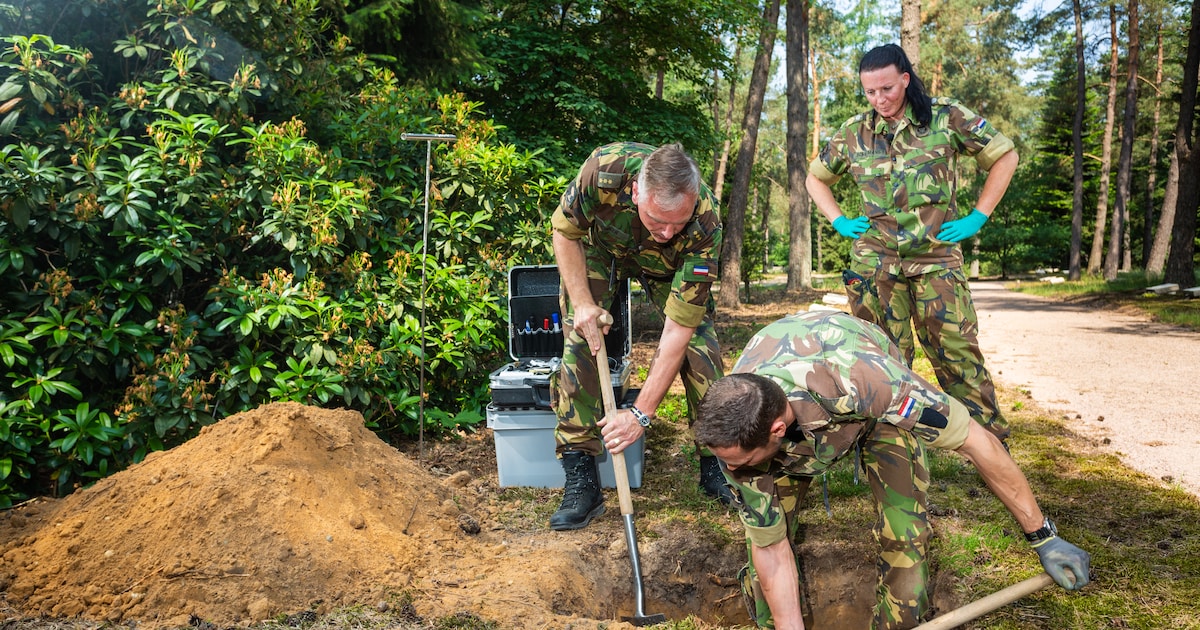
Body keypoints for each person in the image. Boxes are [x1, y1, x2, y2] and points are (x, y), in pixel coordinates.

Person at [695, 310, 1091, 629]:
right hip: (782, 419)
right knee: (766, 568)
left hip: (868, 407)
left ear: (777, 430)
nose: (730, 470)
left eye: (738, 463)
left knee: (905, 533)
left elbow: (978, 443)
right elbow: (771, 547)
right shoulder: (733, 428)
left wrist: (1042, 536)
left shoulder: (873, 383)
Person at [806, 43, 1017, 442]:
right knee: (880, 364)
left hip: (936, 261)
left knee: (959, 358)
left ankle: (992, 450)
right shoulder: (855, 132)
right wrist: (838, 220)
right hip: (876, 268)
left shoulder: (946, 117)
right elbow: (815, 178)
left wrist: (978, 216)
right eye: (870, 91)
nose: (879, 99)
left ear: (904, 79)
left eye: (886, 89)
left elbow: (1004, 156)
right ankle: (887, 452)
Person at [548, 141, 731, 531]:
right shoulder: (603, 170)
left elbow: (677, 330)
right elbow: (564, 233)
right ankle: (581, 476)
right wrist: (582, 304)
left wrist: (640, 414)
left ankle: (715, 463)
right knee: (582, 341)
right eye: (656, 218)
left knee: (700, 347)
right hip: (601, 249)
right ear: (635, 193)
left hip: (669, 269)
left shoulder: (705, 222)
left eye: (676, 222)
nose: (666, 231)